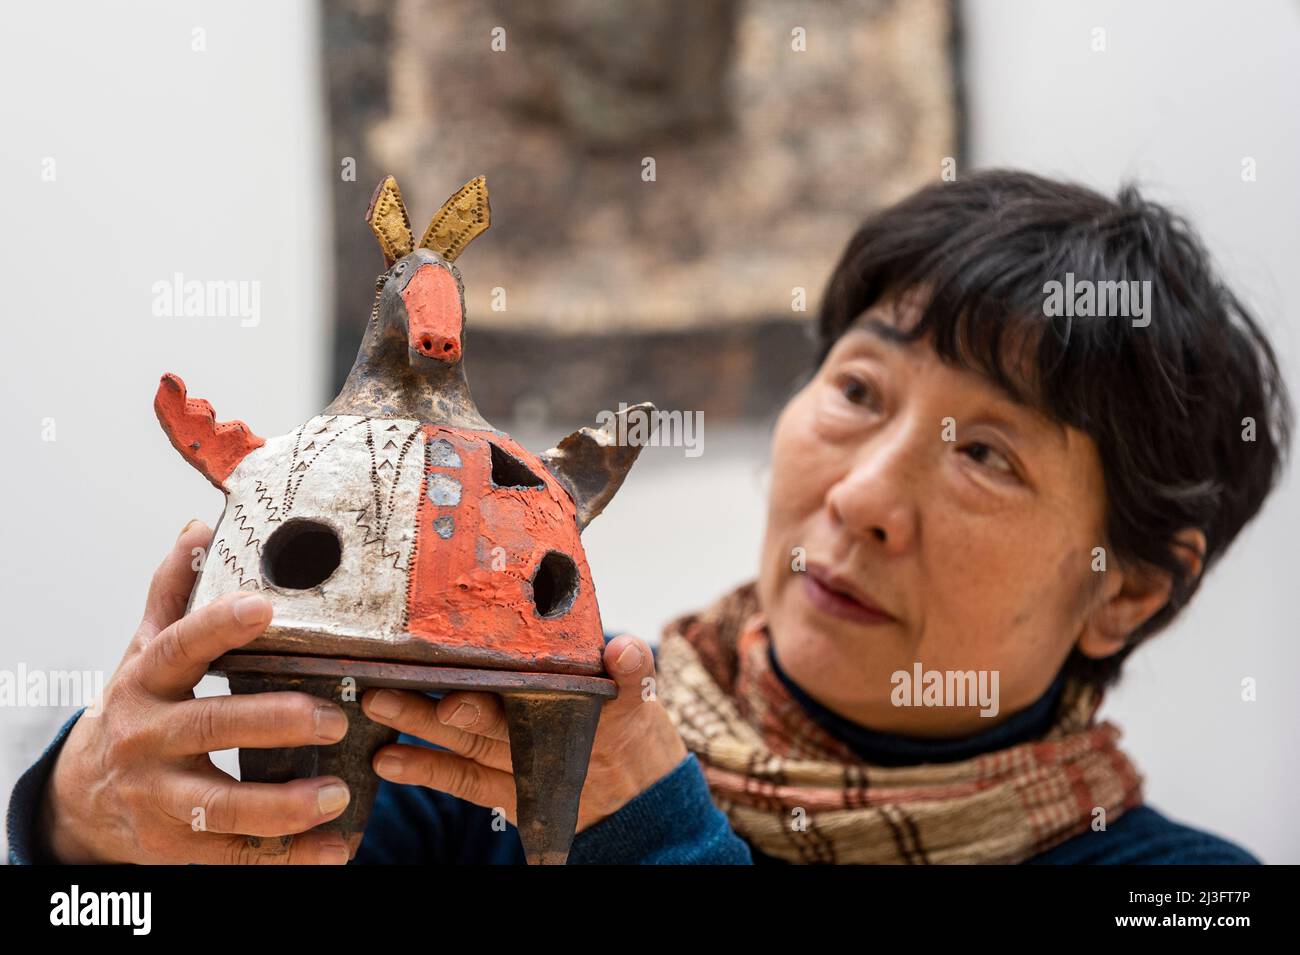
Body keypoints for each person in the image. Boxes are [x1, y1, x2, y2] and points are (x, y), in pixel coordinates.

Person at [8, 170, 1290, 864]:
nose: (858, 495)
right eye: (857, 388)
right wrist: (76, 833)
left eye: (990, 455)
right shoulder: (481, 759)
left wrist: (654, 839)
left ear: (1128, 585)